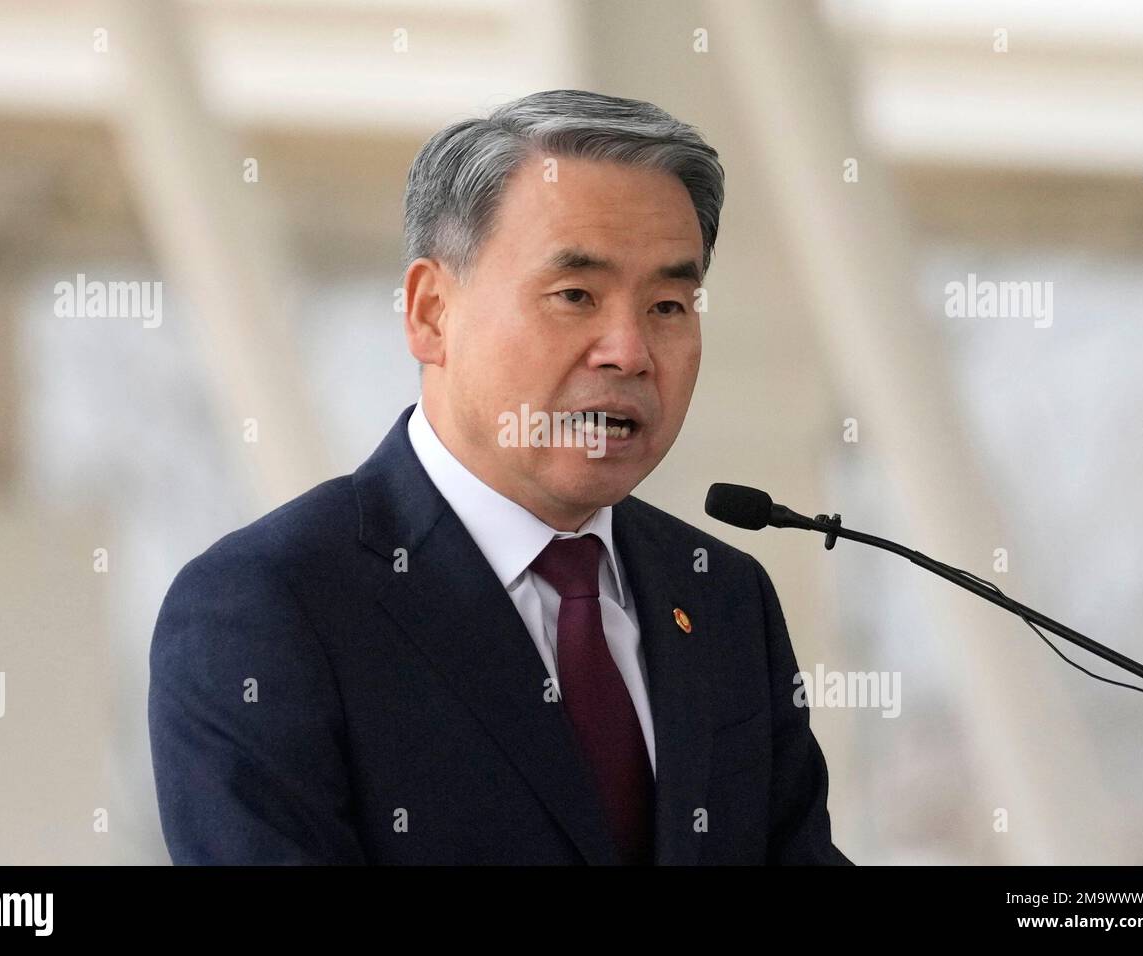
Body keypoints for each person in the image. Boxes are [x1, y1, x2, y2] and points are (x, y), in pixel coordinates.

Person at [149, 89, 851, 865]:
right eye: (575, 295)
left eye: (668, 305)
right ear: (431, 313)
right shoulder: (268, 605)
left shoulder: (721, 597)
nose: (628, 350)